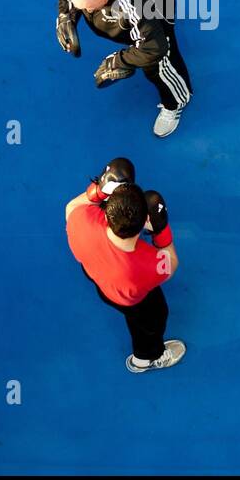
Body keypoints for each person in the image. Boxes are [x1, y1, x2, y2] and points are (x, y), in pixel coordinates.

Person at [57, 0, 194, 137]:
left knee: (159, 63)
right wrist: (66, 15)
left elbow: (155, 47)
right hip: (121, 16)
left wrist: (119, 61)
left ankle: (176, 101)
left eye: (92, 6)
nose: (87, 11)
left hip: (156, 11)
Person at [65, 158, 185, 372]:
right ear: (144, 224)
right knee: (153, 321)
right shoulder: (147, 265)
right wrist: (160, 229)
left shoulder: (80, 220)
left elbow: (73, 205)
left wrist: (99, 190)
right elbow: (171, 263)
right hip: (130, 298)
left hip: (96, 275)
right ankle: (145, 359)